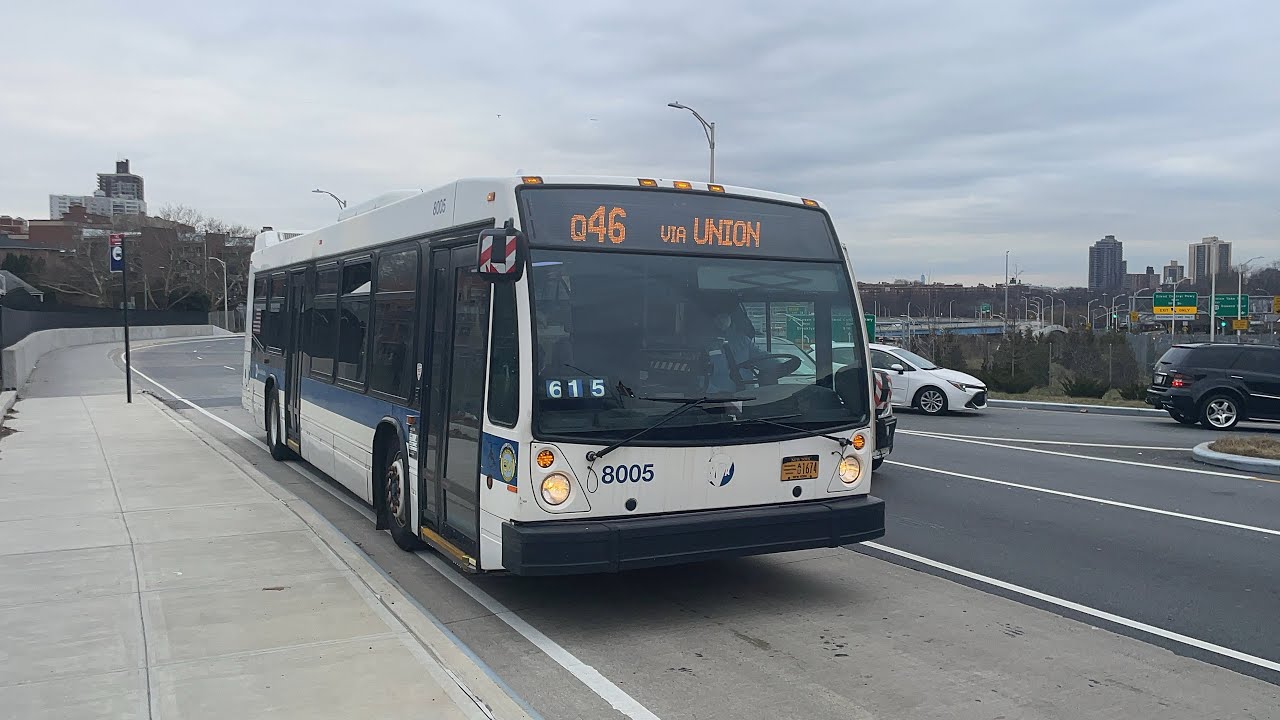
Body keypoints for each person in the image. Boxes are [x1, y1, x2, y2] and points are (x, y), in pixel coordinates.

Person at [705, 302, 768, 394]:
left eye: (724, 316)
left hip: (748, 398)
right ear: (711, 320)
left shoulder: (744, 341)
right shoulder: (703, 346)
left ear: (730, 317)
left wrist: (777, 365)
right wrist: (715, 392)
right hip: (714, 401)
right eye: (717, 316)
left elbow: (762, 358)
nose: (721, 320)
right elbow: (698, 377)